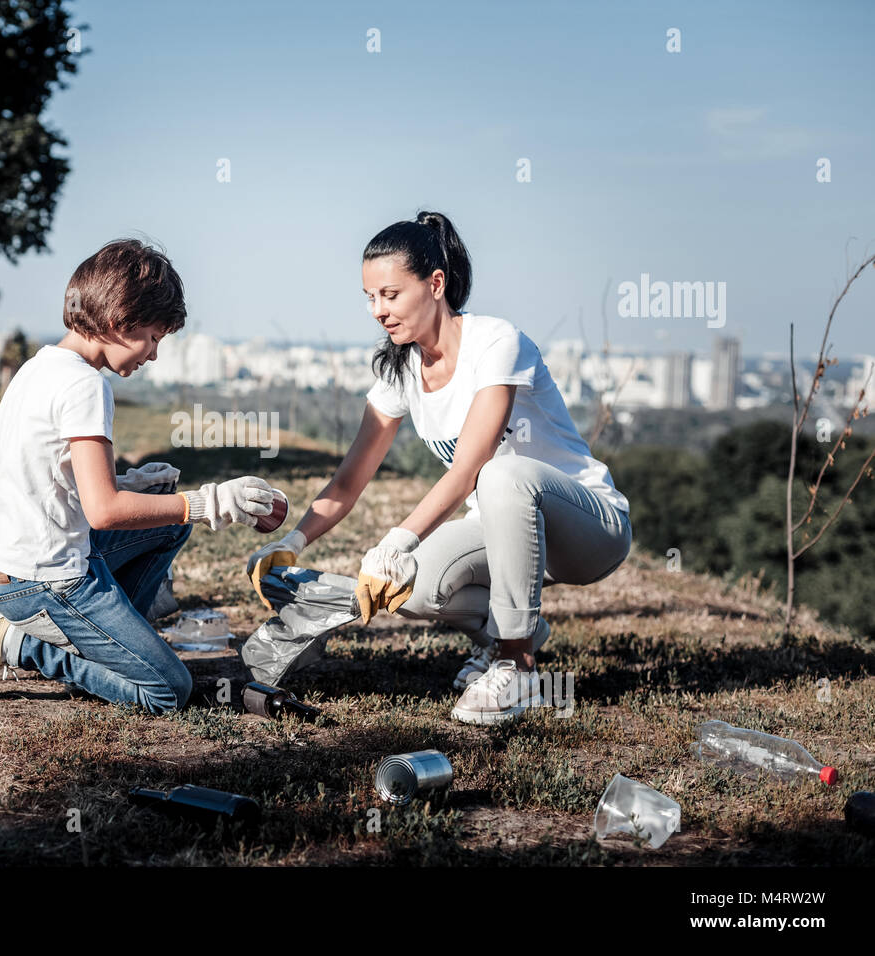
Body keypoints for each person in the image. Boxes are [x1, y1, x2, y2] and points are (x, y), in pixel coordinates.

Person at [245, 212, 631, 724]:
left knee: (499, 474)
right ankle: (514, 633)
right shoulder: (401, 369)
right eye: (369, 297)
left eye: (391, 294)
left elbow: (470, 467)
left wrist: (397, 539)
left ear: (435, 284)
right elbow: (349, 478)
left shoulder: (496, 343)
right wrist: (292, 542)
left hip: (588, 531)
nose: (378, 311)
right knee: (413, 588)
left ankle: (518, 667)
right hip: (506, 533)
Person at [0, 238, 282, 714]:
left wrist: (131, 483)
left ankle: (113, 641)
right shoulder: (87, 386)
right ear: (118, 323)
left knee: (169, 522)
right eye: (152, 338)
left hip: (5, 566)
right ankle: (21, 646)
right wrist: (210, 502)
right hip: (43, 581)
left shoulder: (39, 367)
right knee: (169, 691)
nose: (152, 355)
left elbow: (44, 478)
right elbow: (103, 511)